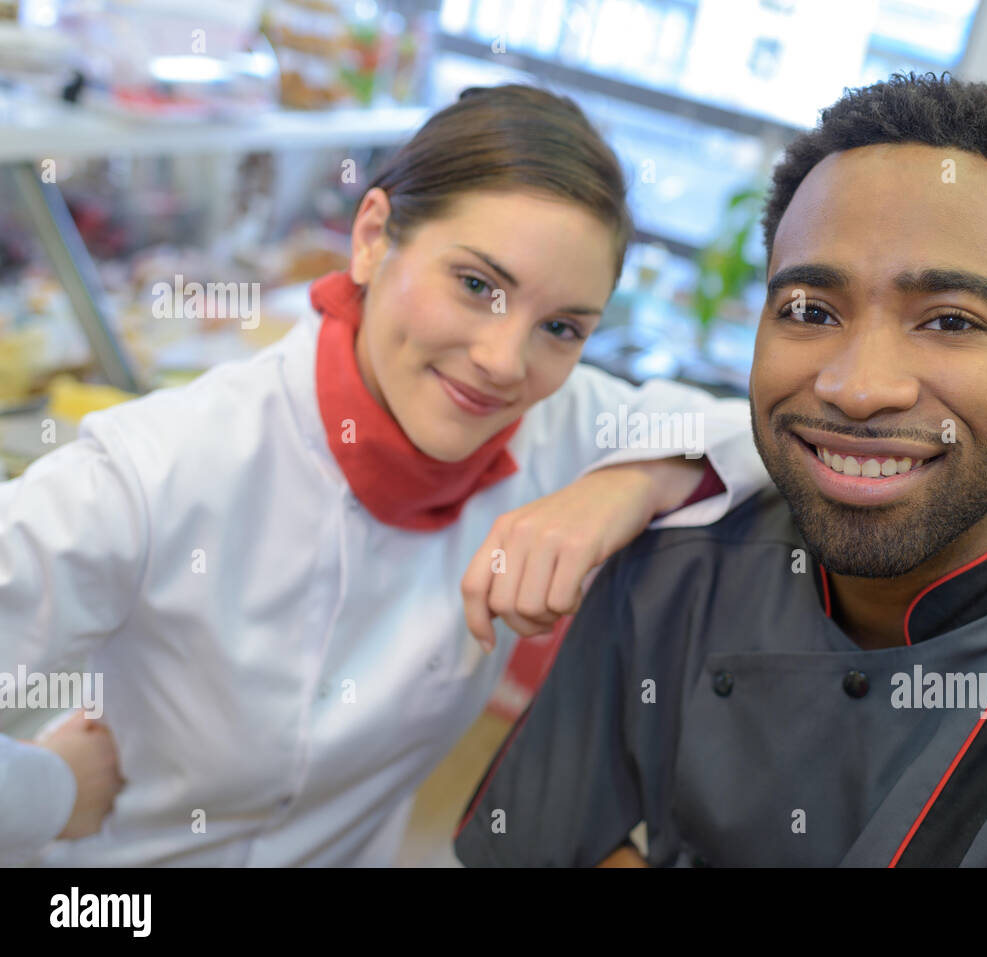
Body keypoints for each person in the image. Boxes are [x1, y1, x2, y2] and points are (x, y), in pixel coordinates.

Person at [453, 73, 987, 867]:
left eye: (950, 321)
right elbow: (536, 845)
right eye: (811, 310)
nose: (859, 388)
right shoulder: (672, 572)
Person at [0, 84, 768, 866]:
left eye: (560, 327)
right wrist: (47, 793)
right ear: (371, 237)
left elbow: (765, 435)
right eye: (476, 285)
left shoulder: (555, 419)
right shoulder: (156, 468)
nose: (505, 362)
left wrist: (628, 483)